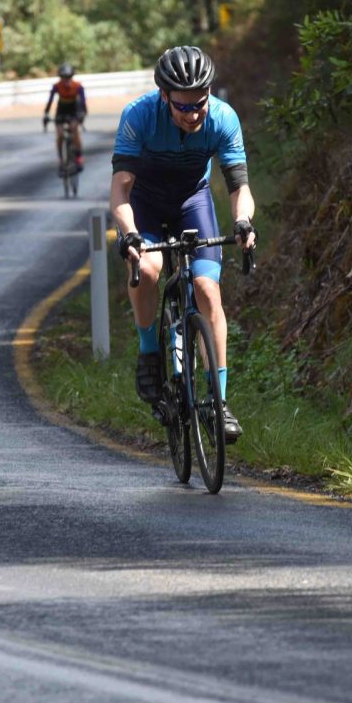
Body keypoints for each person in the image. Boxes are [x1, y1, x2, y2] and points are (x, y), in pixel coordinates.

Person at [111, 45, 256, 443]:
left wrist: (244, 221)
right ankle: (149, 352)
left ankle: (219, 403)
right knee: (148, 269)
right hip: (145, 203)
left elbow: (239, 187)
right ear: (164, 96)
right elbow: (121, 192)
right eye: (182, 107)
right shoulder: (138, 116)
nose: (193, 114)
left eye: (199, 105)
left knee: (208, 290)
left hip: (193, 201)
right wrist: (130, 234)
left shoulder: (223, 118)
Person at [42, 63, 87, 170]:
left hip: (74, 110)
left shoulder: (78, 86)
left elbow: (83, 102)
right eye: (64, 78)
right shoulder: (56, 86)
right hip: (61, 110)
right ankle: (61, 160)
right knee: (60, 135)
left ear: (72, 77)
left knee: (74, 129)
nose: (66, 80)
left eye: (69, 78)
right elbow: (50, 100)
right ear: (60, 78)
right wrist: (46, 113)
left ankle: (78, 157)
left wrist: (83, 114)